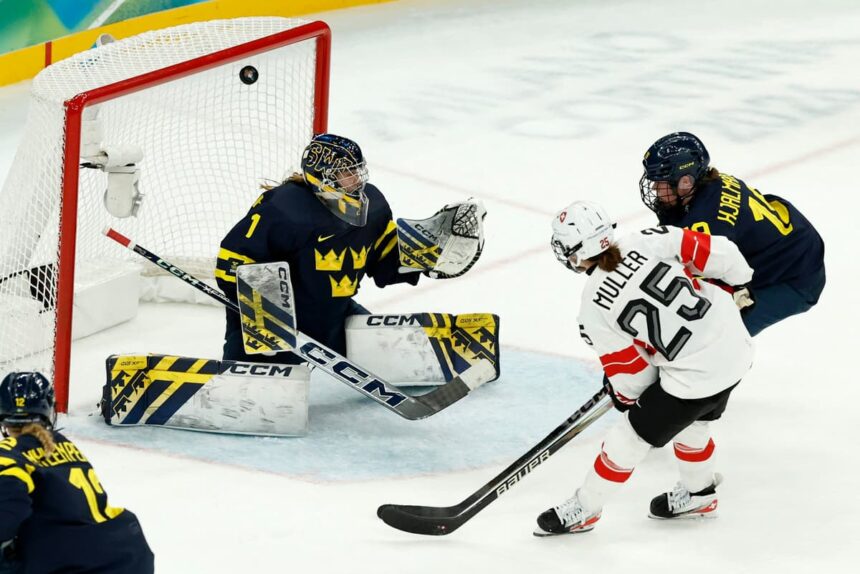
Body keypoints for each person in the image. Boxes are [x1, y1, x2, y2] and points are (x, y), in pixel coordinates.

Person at [534, 201, 754, 536]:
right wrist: (740, 284)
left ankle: (585, 509)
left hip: (696, 375)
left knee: (627, 439)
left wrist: (626, 399)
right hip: (736, 346)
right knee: (693, 422)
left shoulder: (592, 308)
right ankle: (700, 495)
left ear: (577, 251)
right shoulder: (649, 237)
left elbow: (634, 377)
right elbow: (720, 253)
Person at [215, 133, 422, 364]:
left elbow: (386, 262)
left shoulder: (373, 205)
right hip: (280, 327)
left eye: (357, 170)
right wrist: (264, 322)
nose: (356, 179)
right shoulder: (285, 207)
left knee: (391, 356)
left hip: (334, 319)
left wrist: (425, 257)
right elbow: (233, 260)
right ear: (323, 175)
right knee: (254, 383)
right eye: (346, 173)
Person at [639, 131, 825, 336]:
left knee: (715, 338)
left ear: (685, 182)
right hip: (792, 243)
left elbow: (693, 289)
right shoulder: (710, 183)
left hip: (797, 277)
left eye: (660, 181)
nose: (655, 187)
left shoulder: (706, 225)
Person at [0, 371, 154, 572]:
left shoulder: (10, 453)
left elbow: (8, 512)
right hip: (128, 552)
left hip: (75, 562)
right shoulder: (62, 444)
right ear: (50, 411)